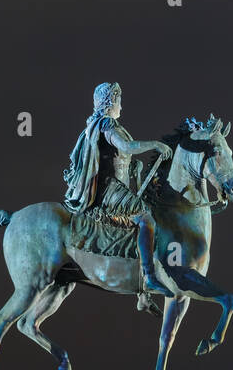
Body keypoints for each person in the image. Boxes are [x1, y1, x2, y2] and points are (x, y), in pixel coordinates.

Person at [62, 82, 172, 307]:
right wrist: (155, 145)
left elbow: (114, 157)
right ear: (110, 102)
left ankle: (142, 294)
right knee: (146, 217)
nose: (121, 105)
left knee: (139, 222)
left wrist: (132, 169)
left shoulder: (97, 125)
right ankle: (150, 277)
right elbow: (126, 146)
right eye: (119, 100)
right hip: (109, 190)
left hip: (114, 186)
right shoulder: (106, 123)